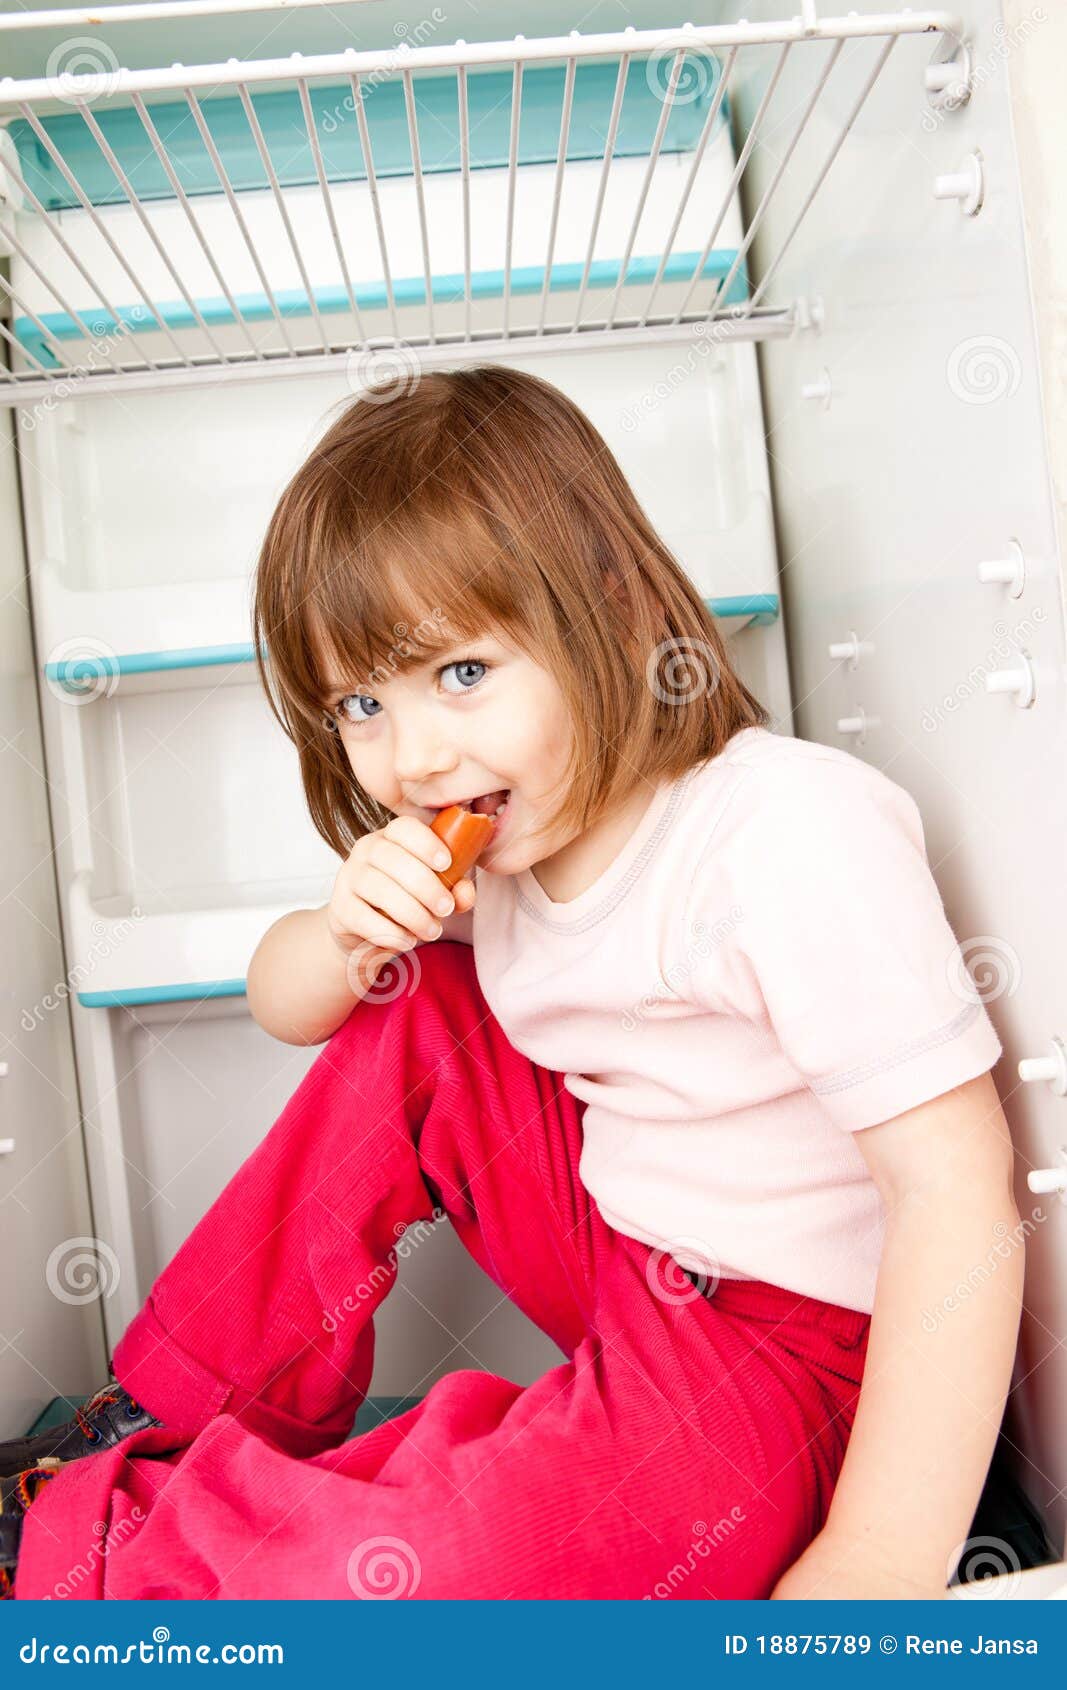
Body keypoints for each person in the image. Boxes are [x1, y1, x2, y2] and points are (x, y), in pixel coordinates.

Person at [3, 365, 1022, 1601]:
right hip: (632, 1267)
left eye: (463, 675)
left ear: (610, 602)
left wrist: (878, 1553)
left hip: (793, 1357)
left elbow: (956, 1192)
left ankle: (100, 1562)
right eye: (363, 703)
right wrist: (340, 936)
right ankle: (145, 1419)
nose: (416, 753)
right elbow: (292, 1009)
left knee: (452, 1560)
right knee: (411, 1004)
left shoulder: (780, 832)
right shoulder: (506, 848)